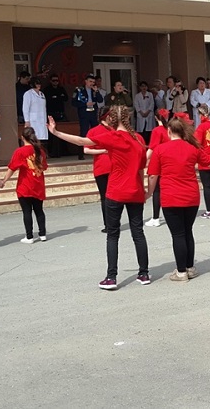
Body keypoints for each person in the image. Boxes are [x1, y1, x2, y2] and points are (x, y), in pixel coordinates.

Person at [49, 106, 150, 289]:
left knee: (113, 235)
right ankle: (144, 273)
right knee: (138, 233)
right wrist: (144, 191)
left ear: (111, 120)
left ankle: (111, 277)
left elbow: (81, 141)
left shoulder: (113, 137)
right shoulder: (139, 139)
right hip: (134, 190)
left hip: (116, 191)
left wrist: (56, 132)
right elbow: (142, 167)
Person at [146, 114, 210, 282]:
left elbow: (153, 175)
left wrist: (148, 193)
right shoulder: (192, 148)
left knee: (177, 234)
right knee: (188, 231)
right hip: (191, 196)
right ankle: (190, 267)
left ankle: (181, 271)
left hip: (171, 196)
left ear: (168, 131)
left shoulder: (160, 150)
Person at [1, 126, 48, 244]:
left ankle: (29, 236)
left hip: (25, 185)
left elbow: (12, 168)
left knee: (27, 211)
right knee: (39, 210)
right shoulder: (40, 151)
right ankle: (42, 234)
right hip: (38, 184)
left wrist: (4, 180)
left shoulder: (20, 151)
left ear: (22, 138)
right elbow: (44, 167)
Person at [84, 106, 114, 233]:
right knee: (111, 196)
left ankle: (108, 225)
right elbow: (85, 149)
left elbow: (86, 149)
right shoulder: (112, 131)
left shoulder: (93, 131)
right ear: (107, 116)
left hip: (102, 167)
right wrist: (105, 151)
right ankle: (112, 223)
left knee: (104, 197)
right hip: (110, 166)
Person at [145, 109, 171, 227]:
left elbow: (152, 148)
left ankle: (156, 217)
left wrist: (143, 160)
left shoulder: (157, 130)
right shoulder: (169, 130)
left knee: (156, 191)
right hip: (169, 161)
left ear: (156, 118)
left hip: (158, 161)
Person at [73, 74, 104, 159]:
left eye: (93, 82)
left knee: (96, 132)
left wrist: (97, 91)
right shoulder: (79, 90)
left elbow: (100, 100)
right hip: (84, 114)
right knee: (84, 132)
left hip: (93, 113)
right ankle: (81, 153)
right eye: (90, 81)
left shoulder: (94, 90)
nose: (92, 83)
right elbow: (74, 103)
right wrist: (85, 104)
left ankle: (97, 150)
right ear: (86, 81)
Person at [42, 74, 68, 158]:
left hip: (61, 113)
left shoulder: (61, 89)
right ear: (50, 81)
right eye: (54, 80)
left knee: (63, 131)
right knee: (51, 134)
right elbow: (48, 100)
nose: (55, 82)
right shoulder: (47, 90)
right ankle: (51, 152)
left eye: (57, 80)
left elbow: (66, 98)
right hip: (51, 114)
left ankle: (63, 151)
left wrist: (56, 97)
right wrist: (57, 97)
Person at [22, 76, 49, 144]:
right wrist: (27, 121)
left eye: (39, 84)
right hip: (33, 120)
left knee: (41, 139)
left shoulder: (42, 94)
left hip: (42, 119)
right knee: (33, 138)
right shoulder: (28, 94)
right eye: (37, 84)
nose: (38, 85)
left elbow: (44, 108)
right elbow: (25, 108)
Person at [134, 81, 155, 145]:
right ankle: (142, 143)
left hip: (149, 114)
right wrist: (141, 112)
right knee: (142, 130)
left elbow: (152, 104)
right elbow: (136, 105)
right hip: (141, 115)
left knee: (148, 131)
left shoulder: (150, 94)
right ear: (140, 87)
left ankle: (148, 143)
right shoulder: (137, 96)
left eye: (145, 86)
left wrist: (147, 112)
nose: (144, 88)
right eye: (142, 86)